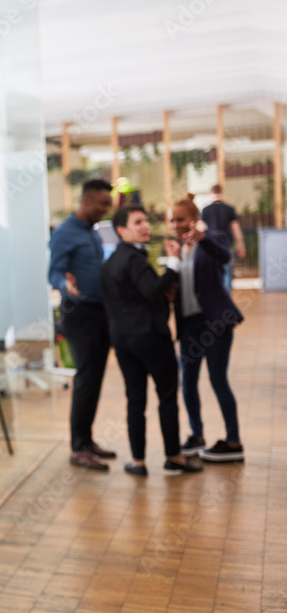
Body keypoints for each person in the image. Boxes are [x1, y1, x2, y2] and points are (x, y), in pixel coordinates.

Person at [101, 206, 202, 475]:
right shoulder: (134, 259)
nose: (145, 226)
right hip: (151, 338)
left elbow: (134, 297)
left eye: (145, 221)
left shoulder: (111, 261)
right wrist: (173, 262)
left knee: (135, 399)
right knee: (167, 396)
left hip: (123, 341)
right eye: (138, 222)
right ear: (122, 230)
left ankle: (138, 461)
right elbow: (152, 289)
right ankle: (174, 457)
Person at [169, 196, 245, 462]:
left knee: (217, 379)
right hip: (189, 324)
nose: (175, 225)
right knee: (187, 382)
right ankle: (196, 435)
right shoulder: (178, 249)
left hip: (214, 322)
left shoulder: (213, 237)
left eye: (180, 219)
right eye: (172, 220)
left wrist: (203, 239)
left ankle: (234, 441)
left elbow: (224, 257)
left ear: (193, 219)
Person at [48, 178, 117, 470]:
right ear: (86, 201)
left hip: (100, 313)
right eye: (102, 204)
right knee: (86, 379)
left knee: (95, 378)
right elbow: (53, 273)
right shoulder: (65, 232)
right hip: (79, 314)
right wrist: (66, 283)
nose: (106, 210)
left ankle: (87, 440)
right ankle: (78, 448)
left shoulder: (91, 231)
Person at [200, 184, 246, 292]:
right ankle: (227, 297)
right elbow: (235, 228)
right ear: (222, 193)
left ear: (211, 194)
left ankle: (215, 295)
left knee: (212, 271)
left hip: (211, 246)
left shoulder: (205, 210)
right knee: (227, 271)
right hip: (226, 245)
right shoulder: (229, 209)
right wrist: (240, 243)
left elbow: (201, 228)